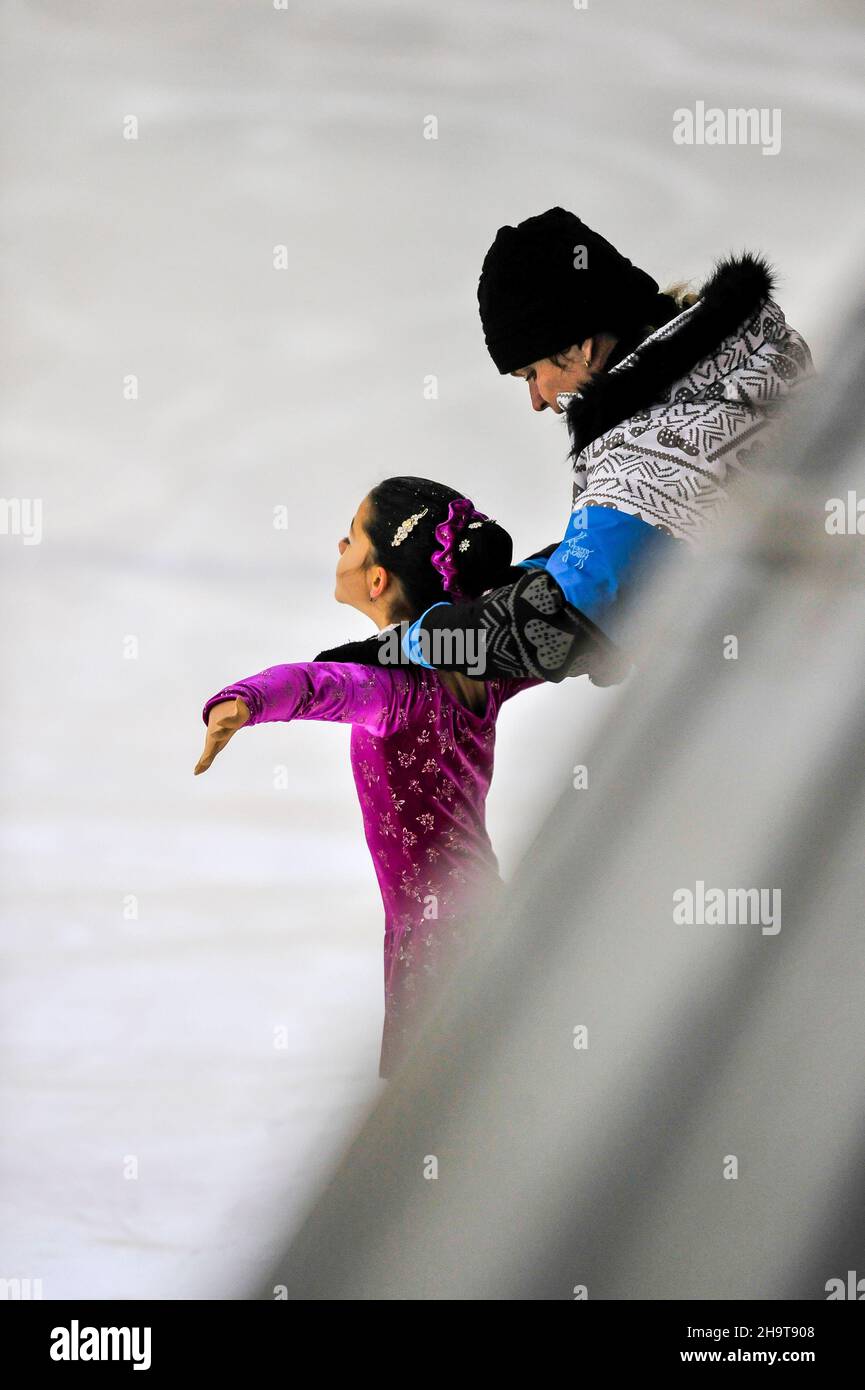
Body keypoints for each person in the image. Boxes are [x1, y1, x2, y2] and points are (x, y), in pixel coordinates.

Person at [318, 207, 816, 684]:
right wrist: (504, 595)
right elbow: (615, 555)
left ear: (581, 346)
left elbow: (557, 623)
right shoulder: (748, 358)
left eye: (532, 373)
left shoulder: (654, 449)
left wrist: (411, 643)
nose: (537, 399)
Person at [194, 478, 541, 1079]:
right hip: (480, 915)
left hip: (439, 943)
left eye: (353, 536)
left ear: (378, 581)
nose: (340, 542)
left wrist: (244, 701)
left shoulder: (396, 692)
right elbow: (553, 619)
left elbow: (317, 685)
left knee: (436, 1130)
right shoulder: (486, 666)